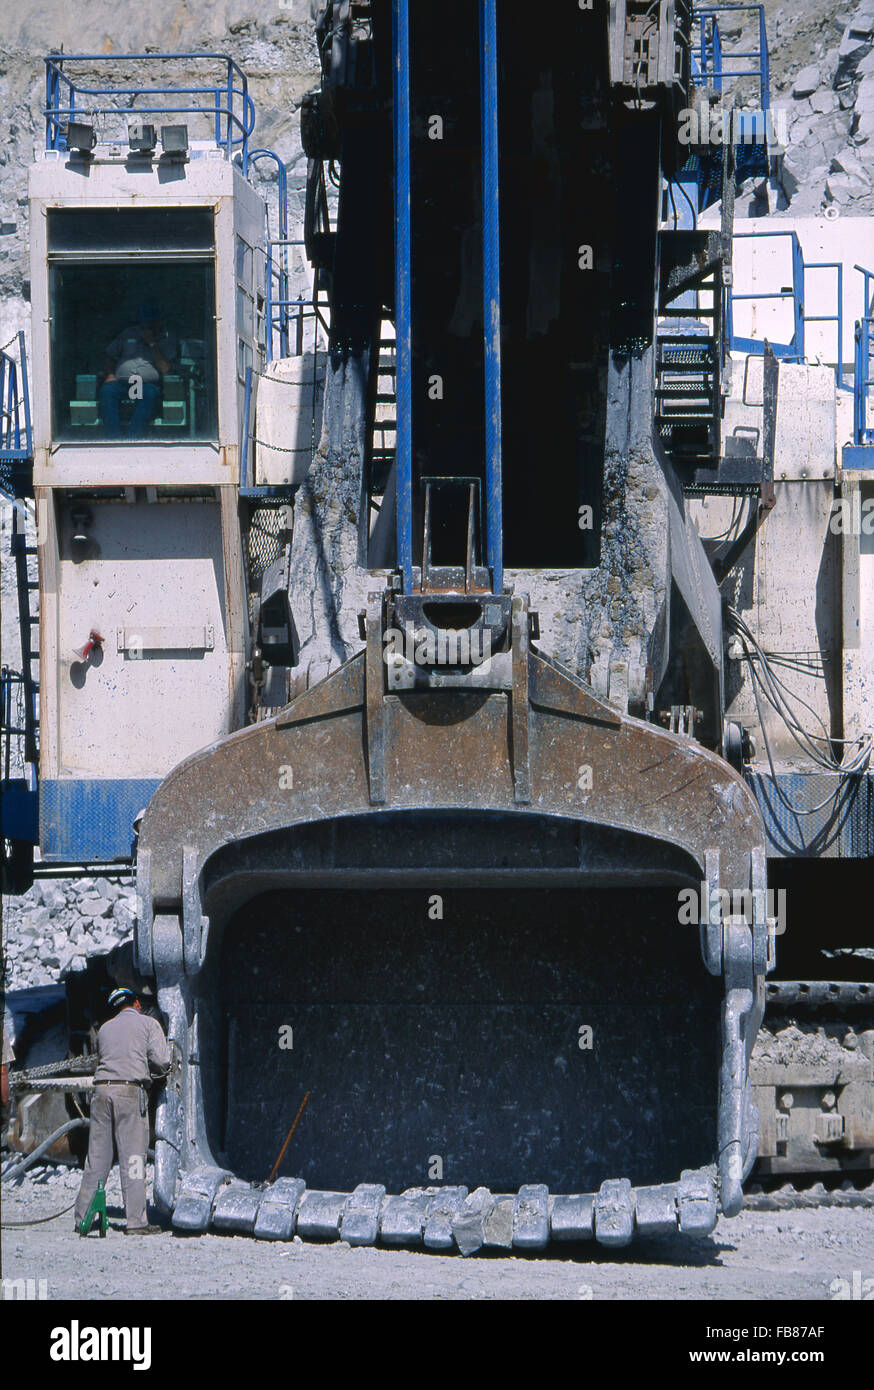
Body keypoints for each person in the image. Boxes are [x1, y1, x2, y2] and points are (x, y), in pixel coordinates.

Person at [74, 988, 171, 1236]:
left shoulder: (104, 1029)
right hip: (129, 1092)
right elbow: (161, 1061)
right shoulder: (148, 1024)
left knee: (97, 1158)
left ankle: (83, 1217)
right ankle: (136, 1221)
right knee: (134, 1159)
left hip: (101, 1093)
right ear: (136, 1004)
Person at [99, 302, 177, 438]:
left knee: (150, 394)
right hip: (121, 383)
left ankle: (133, 438)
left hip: (146, 385)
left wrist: (152, 343)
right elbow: (109, 355)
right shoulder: (128, 333)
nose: (147, 326)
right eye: (145, 323)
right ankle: (113, 439)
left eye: (151, 323)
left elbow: (165, 368)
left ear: (159, 322)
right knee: (107, 391)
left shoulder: (166, 338)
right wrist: (110, 374)